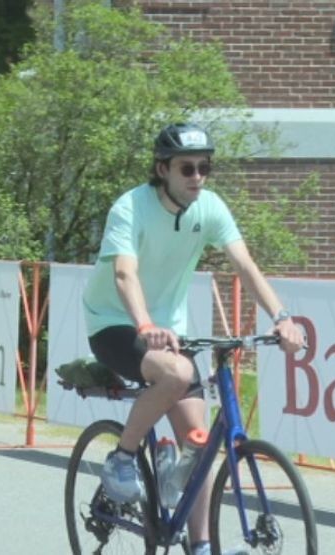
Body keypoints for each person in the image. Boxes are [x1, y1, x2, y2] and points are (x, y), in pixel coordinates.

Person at [82, 122, 304, 555]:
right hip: (115, 322)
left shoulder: (210, 208)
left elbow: (245, 265)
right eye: (187, 168)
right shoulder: (131, 208)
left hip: (170, 329)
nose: (197, 177)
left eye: (205, 167)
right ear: (162, 168)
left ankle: (200, 545)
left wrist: (282, 317)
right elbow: (124, 273)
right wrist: (145, 325)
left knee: (198, 442)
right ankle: (123, 457)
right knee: (178, 371)